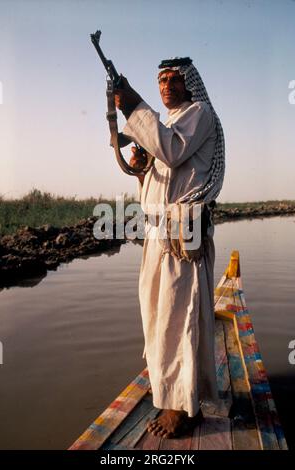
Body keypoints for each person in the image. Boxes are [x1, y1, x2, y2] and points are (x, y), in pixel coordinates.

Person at [114, 57, 225, 439]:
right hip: (159, 237)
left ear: (189, 83)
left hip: (183, 240)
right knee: (157, 320)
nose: (166, 86)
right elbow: (162, 172)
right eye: (160, 80)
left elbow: (173, 152)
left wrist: (131, 104)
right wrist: (142, 164)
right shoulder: (169, 125)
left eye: (174, 79)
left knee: (179, 322)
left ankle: (183, 407)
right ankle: (169, 393)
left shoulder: (199, 114)